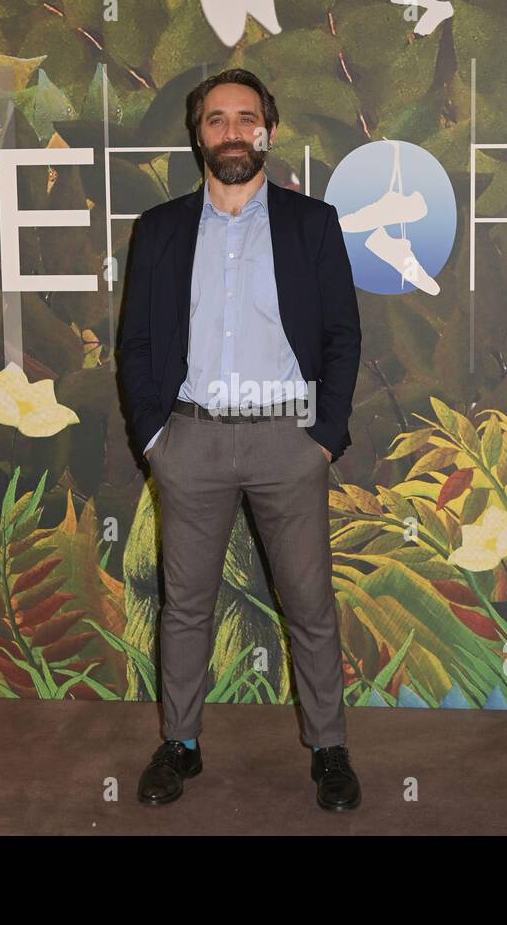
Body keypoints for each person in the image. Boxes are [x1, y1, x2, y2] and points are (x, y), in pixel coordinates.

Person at [116, 68, 362, 811]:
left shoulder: (310, 224)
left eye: (245, 118)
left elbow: (342, 337)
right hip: (189, 441)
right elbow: (136, 344)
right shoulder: (158, 230)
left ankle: (330, 750)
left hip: (288, 441)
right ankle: (180, 745)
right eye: (216, 119)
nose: (231, 131)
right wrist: (155, 437)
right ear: (199, 134)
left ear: (268, 132)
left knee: (309, 604)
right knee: (184, 604)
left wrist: (322, 436)